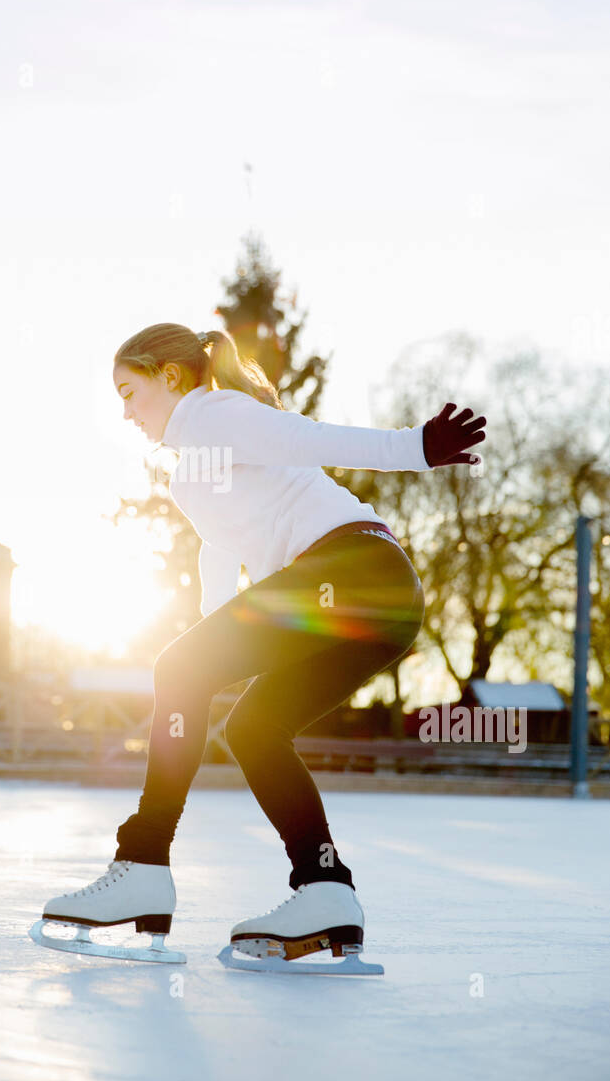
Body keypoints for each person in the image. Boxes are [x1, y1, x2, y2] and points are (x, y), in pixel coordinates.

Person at [35, 322, 486, 965]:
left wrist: (416, 447)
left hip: (352, 570)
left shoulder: (218, 413)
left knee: (183, 668)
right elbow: (221, 574)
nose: (125, 412)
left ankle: (141, 863)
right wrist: (201, 660)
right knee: (253, 728)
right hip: (375, 606)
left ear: (171, 377)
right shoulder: (190, 477)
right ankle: (325, 887)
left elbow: (310, 438)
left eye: (130, 392)